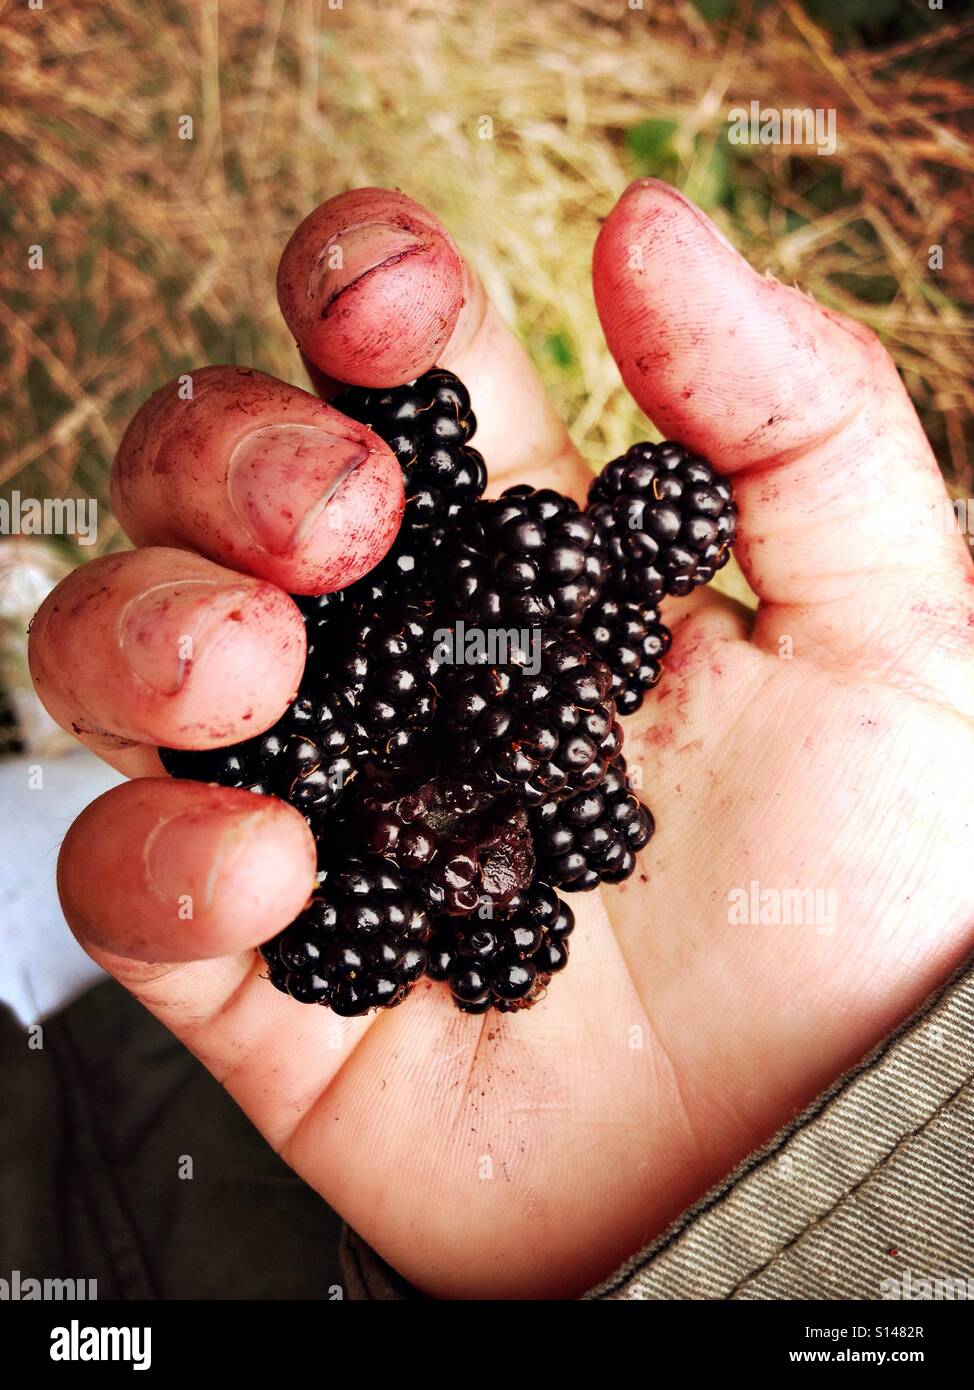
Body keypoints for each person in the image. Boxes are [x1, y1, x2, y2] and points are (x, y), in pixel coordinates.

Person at [27, 181, 974, 1300]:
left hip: (150, 1138)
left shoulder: (499, 775)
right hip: (131, 1095)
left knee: (72, 828)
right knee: (92, 794)